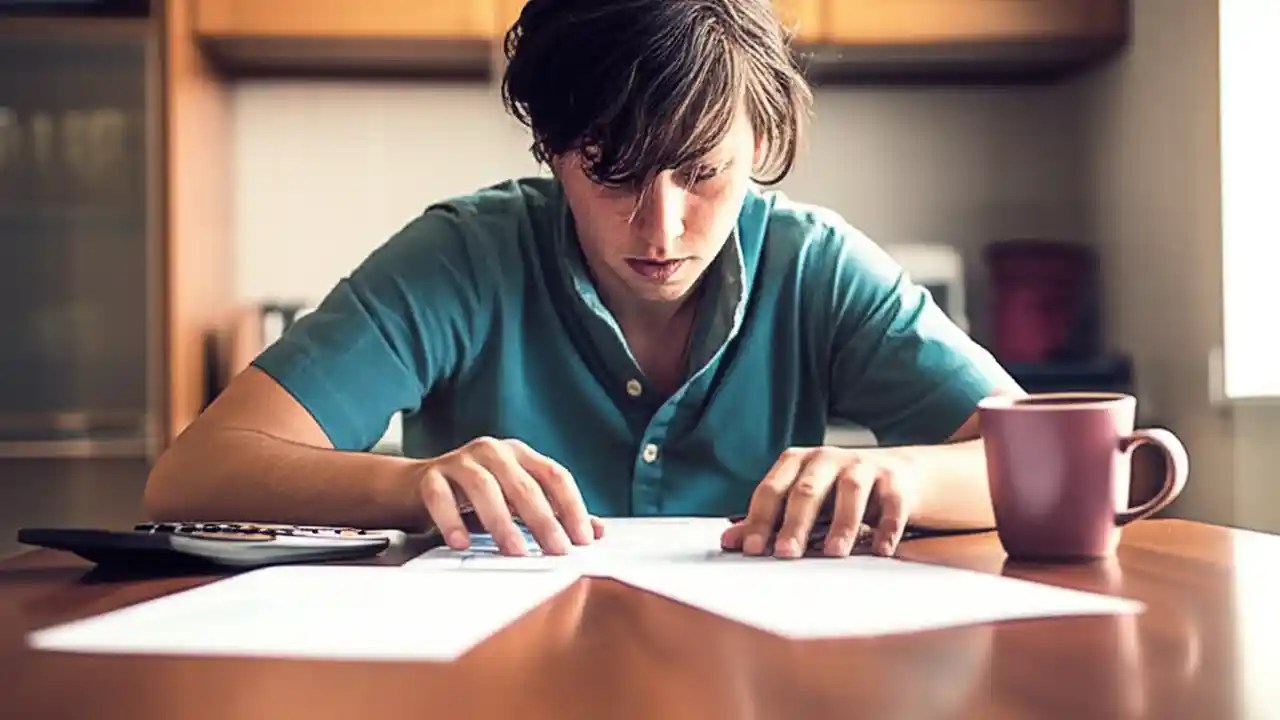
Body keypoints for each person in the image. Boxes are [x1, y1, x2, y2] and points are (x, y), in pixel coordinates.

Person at [144, 0, 1022, 560]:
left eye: (704, 173)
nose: (664, 227)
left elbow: (1061, 471)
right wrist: (415, 486)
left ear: (758, 145)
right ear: (553, 152)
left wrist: (900, 476)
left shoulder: (814, 266)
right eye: (612, 173)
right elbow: (192, 475)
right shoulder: (463, 259)